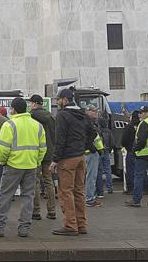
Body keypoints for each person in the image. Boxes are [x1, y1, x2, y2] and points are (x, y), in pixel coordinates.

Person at [0, 97, 46, 238]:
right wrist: (36, 162)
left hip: (13, 166)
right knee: (28, 197)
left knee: (4, 196)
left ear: (13, 109)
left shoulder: (9, 125)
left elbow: (2, 148)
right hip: (31, 166)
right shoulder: (37, 125)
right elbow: (43, 148)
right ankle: (24, 228)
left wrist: (3, 161)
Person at [49, 89, 98, 236]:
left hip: (67, 159)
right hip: (80, 157)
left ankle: (70, 225)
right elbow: (93, 132)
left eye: (58, 99)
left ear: (64, 100)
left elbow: (60, 139)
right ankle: (81, 224)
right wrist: (83, 145)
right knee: (79, 191)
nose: (57, 102)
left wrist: (55, 159)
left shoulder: (62, 115)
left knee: (65, 192)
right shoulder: (83, 114)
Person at [28, 94, 57, 220]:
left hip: (36, 152)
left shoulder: (30, 117)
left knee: (35, 181)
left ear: (34, 103)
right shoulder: (51, 117)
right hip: (49, 152)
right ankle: (52, 211)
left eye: (30, 103)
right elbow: (55, 135)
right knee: (49, 181)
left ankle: (36, 211)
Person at [85, 105, 104, 207]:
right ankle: (89, 199)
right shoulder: (87, 122)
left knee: (88, 177)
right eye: (94, 111)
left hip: (89, 152)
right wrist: (93, 148)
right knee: (91, 177)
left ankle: (89, 197)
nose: (96, 113)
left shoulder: (90, 122)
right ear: (88, 112)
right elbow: (89, 137)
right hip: (90, 153)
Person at [121, 110, 141, 193]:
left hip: (130, 151)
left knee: (130, 170)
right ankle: (142, 188)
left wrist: (126, 146)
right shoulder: (142, 125)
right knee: (140, 171)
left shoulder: (129, 126)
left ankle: (131, 189)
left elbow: (124, 140)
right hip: (141, 151)